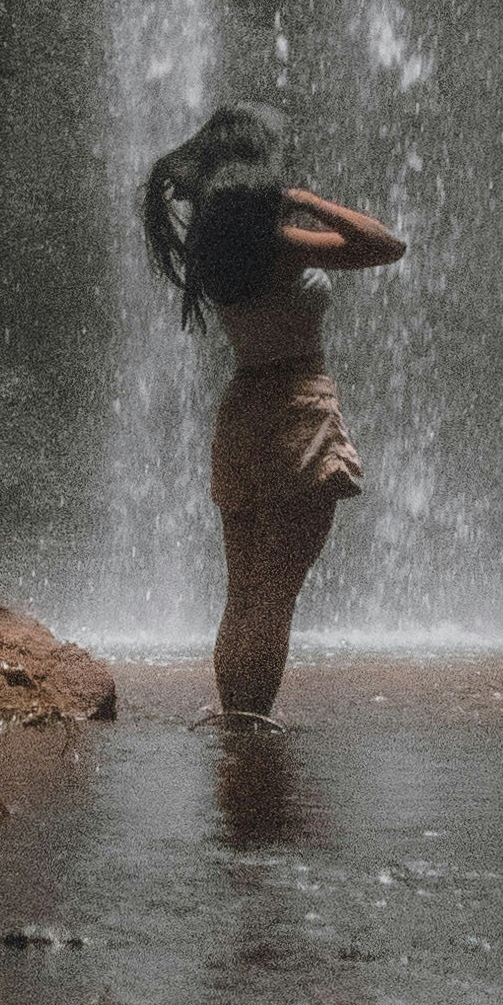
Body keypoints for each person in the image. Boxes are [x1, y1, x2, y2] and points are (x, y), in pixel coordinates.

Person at [137, 104, 407, 722]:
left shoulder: (213, 249)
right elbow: (386, 244)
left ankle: (236, 728)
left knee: (242, 595)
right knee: (276, 596)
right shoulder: (279, 245)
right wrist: (304, 199)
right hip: (296, 410)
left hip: (241, 415)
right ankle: (252, 726)